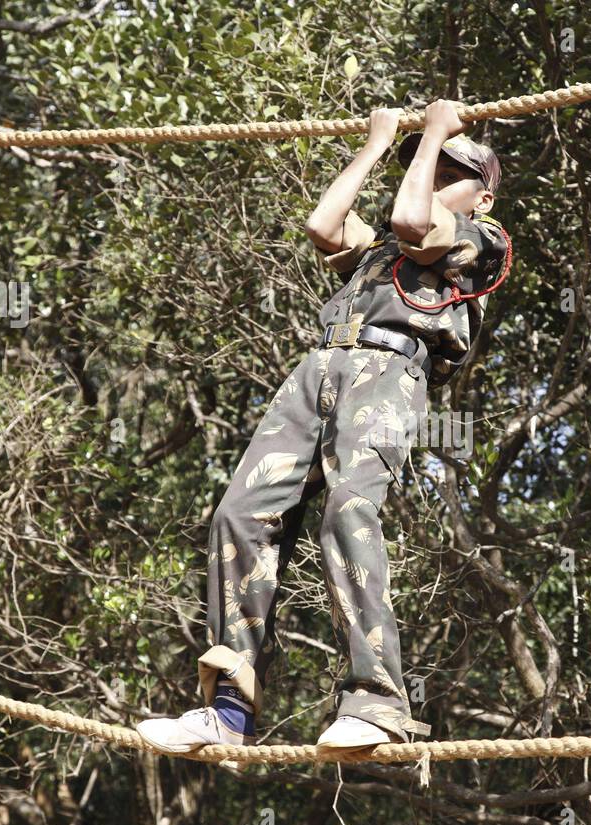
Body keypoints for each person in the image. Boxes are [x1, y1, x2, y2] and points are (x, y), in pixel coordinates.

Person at [137, 99, 508, 754]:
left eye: (453, 172)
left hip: (390, 371)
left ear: (481, 196)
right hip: (319, 371)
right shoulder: (381, 252)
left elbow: (413, 217)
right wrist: (378, 142)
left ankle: (376, 701)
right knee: (238, 513)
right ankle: (229, 705)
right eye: (433, 167)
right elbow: (323, 224)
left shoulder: (483, 239)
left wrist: (435, 134)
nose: (434, 175)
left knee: (349, 507)